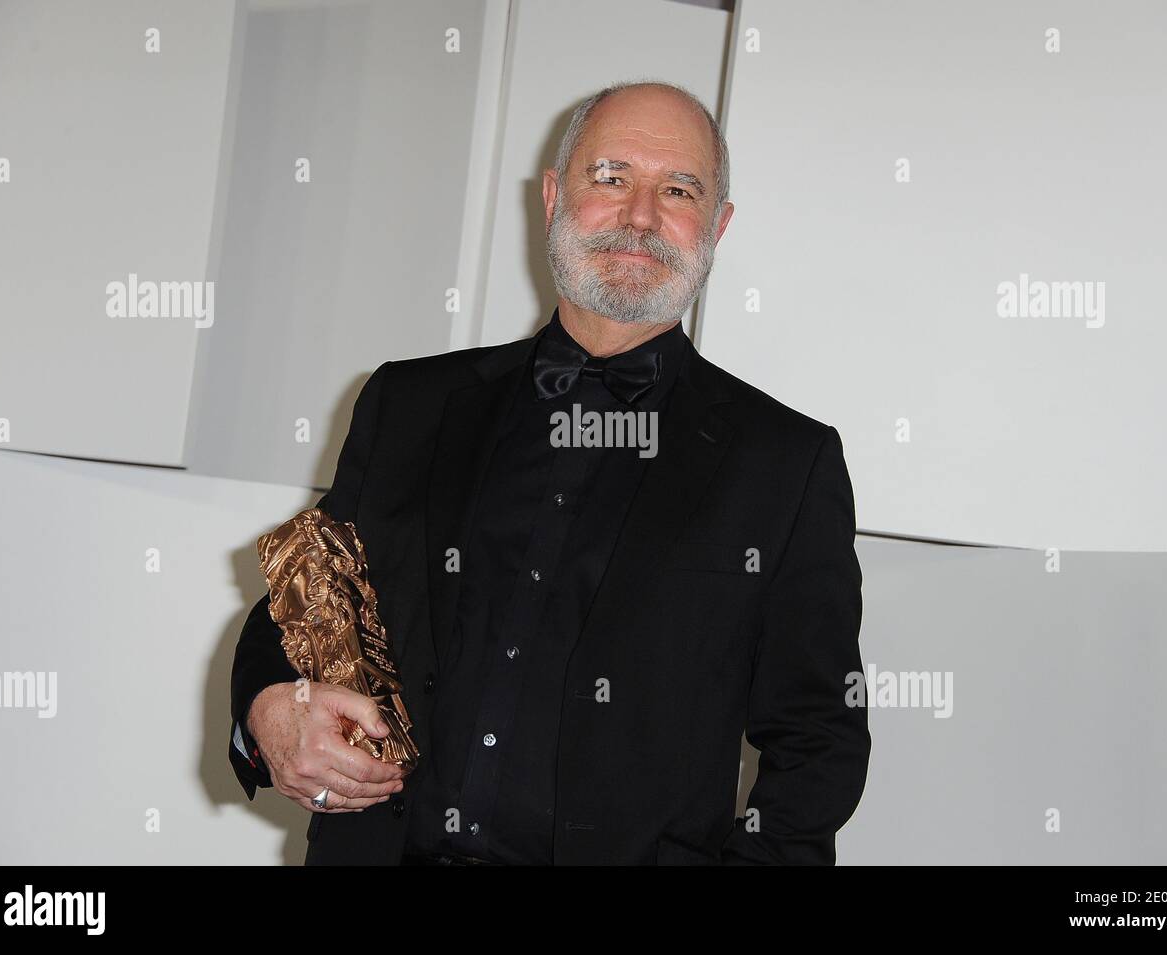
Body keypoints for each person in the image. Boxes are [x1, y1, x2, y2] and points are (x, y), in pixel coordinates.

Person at [228, 80, 870, 865]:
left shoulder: (786, 464)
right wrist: (268, 702)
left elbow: (818, 739)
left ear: (718, 225)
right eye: (611, 178)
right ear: (555, 195)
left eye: (677, 189)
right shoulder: (409, 403)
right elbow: (307, 602)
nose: (640, 215)